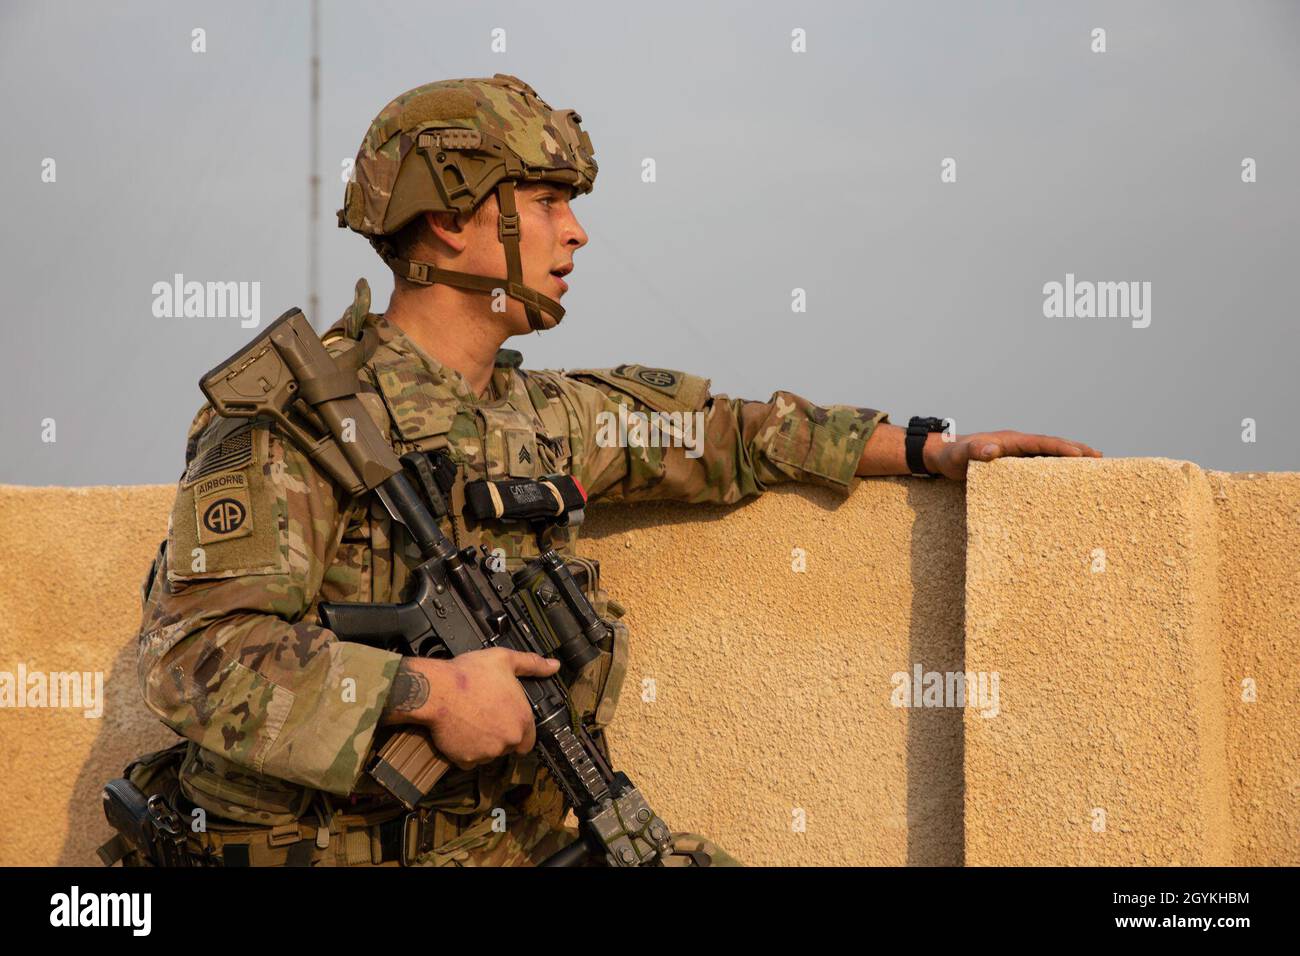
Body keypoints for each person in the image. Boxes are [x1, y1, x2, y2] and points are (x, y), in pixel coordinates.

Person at [118, 74, 1100, 868]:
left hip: (520, 837)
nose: (575, 232)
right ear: (449, 221)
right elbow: (196, 655)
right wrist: (422, 694)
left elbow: (730, 435)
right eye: (545, 202)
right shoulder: (293, 422)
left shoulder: (537, 414)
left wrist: (935, 449)